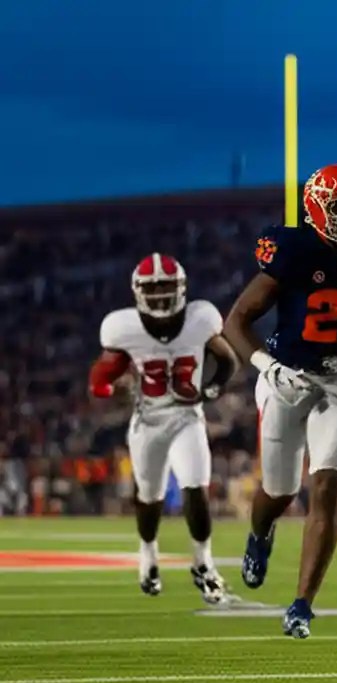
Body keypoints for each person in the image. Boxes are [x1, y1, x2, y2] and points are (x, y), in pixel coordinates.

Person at [224, 163, 337, 639]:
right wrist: (265, 364)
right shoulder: (295, 251)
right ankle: (260, 534)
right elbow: (236, 320)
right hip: (289, 377)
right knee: (279, 492)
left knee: (327, 487)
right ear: (319, 211)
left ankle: (302, 604)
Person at [90, 254, 239, 603]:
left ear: (181, 288)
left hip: (187, 416)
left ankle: (204, 563)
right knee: (150, 498)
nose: (159, 294)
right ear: (138, 291)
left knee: (195, 489)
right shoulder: (122, 328)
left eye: (165, 286)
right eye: (152, 287)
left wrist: (214, 388)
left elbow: (228, 360)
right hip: (148, 422)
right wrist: (108, 389)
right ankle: (148, 556)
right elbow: (102, 374)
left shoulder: (200, 319)